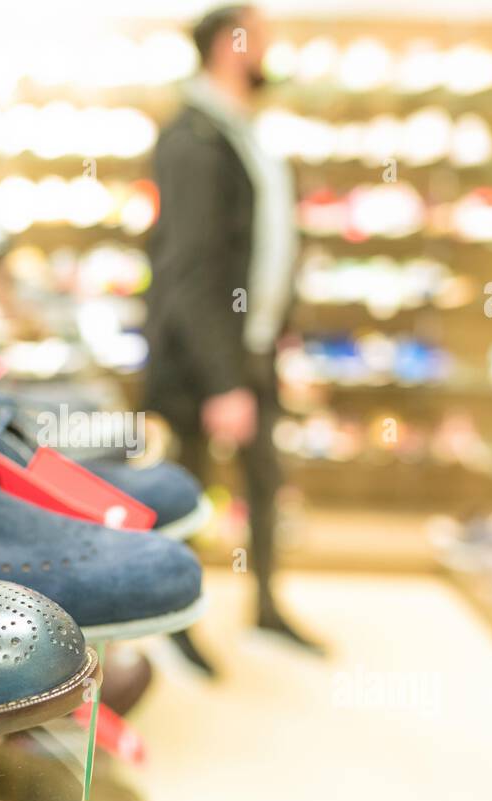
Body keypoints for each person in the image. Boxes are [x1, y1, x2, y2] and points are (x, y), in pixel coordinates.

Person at [145, 4, 326, 657]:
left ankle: (268, 604)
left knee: (264, 480)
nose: (272, 45)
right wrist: (223, 379)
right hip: (205, 354)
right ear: (232, 43)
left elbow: (260, 246)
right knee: (190, 490)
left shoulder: (241, 131)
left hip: (251, 343)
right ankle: (177, 621)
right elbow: (191, 268)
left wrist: (278, 331)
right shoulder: (195, 136)